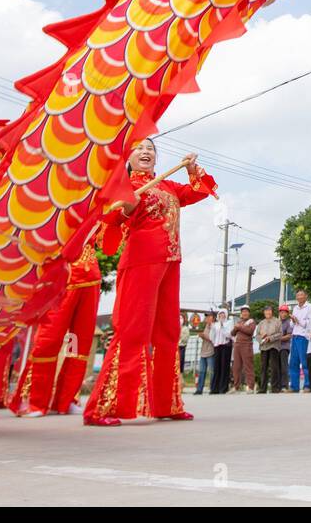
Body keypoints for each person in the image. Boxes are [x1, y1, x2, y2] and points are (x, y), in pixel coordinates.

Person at [83, 140, 216, 426]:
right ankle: (103, 408)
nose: (146, 152)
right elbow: (110, 218)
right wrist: (125, 208)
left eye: (150, 148)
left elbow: (199, 191)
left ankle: (166, 404)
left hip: (171, 261)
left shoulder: (167, 186)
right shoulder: (123, 186)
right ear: (127, 157)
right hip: (141, 260)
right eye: (139, 148)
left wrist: (192, 169)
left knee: (168, 332)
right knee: (132, 330)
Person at [10, 228, 104, 416]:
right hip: (62, 281)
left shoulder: (96, 206)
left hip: (90, 281)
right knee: (48, 341)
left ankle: (66, 400)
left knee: (77, 345)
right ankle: (36, 402)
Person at [288, 290, 311, 392]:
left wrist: (299, 321)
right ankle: (294, 386)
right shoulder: (295, 308)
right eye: (297, 295)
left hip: (304, 337)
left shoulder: (310, 307)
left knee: (305, 362)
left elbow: (310, 323)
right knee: (293, 362)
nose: (299, 297)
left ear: (306, 296)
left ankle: (307, 385)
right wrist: (294, 321)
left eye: (301, 295)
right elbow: (291, 325)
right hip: (295, 336)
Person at [256, 306, 283, 394]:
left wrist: (270, 338)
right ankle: (262, 388)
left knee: (274, 367)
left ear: (272, 312)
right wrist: (262, 338)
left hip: (274, 346)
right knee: (264, 367)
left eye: (269, 311)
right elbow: (257, 335)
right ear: (264, 312)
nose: (268, 312)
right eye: (266, 311)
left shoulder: (277, 321)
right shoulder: (261, 323)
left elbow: (280, 334)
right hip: (264, 347)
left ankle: (275, 387)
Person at [231, 305, 256, 393]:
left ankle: (251, 387)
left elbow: (250, 331)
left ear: (249, 313)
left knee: (248, 366)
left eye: (246, 311)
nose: (244, 313)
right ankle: (236, 387)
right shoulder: (239, 322)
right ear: (241, 313)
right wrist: (236, 328)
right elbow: (232, 333)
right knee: (236, 367)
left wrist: (239, 327)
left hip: (247, 345)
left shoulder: (251, 321)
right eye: (243, 312)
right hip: (237, 345)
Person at [210, 308, 233, 395]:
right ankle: (214, 388)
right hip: (217, 346)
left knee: (224, 367)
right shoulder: (215, 324)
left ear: (226, 315)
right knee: (216, 367)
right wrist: (214, 341)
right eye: (220, 314)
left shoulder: (229, 323)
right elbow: (212, 336)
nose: (222, 316)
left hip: (225, 346)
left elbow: (229, 335)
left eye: (223, 314)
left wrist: (223, 327)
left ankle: (223, 388)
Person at [194, 314, 215, 395]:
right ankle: (199, 389)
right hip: (203, 352)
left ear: (213, 318)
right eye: (206, 317)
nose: (207, 318)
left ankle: (212, 388)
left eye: (209, 316)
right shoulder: (206, 326)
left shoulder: (214, 327)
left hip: (211, 351)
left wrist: (203, 336)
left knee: (212, 371)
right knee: (201, 371)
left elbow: (212, 338)